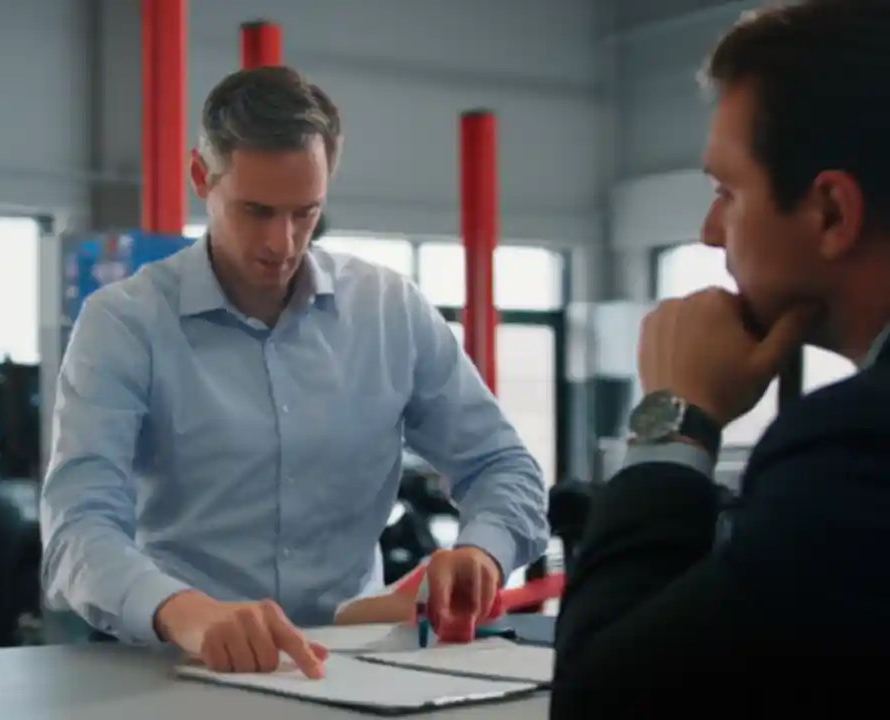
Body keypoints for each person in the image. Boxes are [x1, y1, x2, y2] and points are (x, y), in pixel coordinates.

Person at [40, 65, 548, 677]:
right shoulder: (124, 324)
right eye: (256, 211)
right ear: (202, 177)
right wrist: (187, 611)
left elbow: (502, 465)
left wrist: (481, 552)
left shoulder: (390, 311)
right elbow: (77, 528)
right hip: (175, 665)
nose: (281, 243)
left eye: (305, 213)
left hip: (354, 666)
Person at [553, 0, 890, 715]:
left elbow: (607, 701)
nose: (710, 234)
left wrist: (671, 424)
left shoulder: (858, 446)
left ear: (831, 210)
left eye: (726, 192)